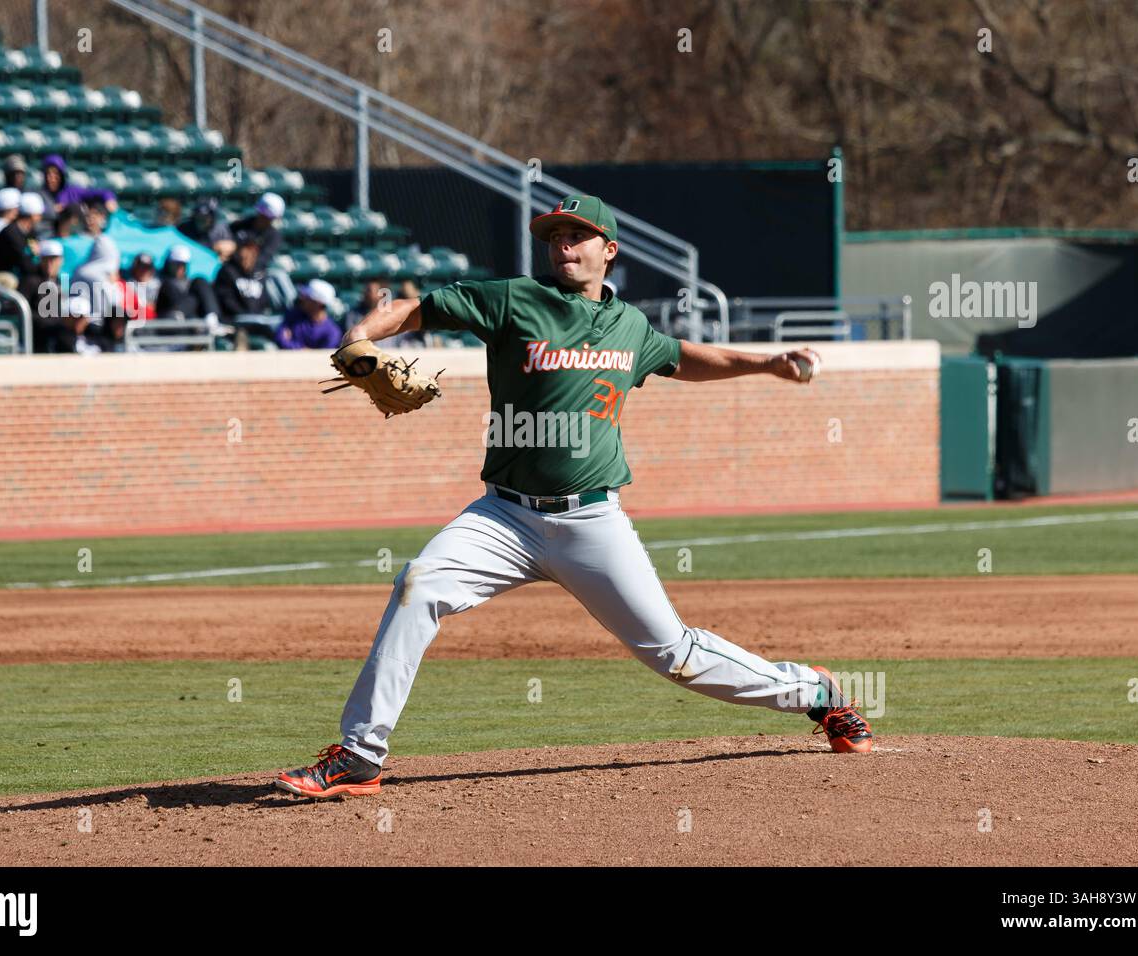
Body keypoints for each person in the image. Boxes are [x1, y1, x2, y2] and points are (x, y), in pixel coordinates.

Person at [274, 194, 874, 801]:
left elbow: (684, 358)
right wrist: (359, 337)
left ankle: (814, 692)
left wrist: (767, 362)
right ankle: (359, 755)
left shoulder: (630, 326)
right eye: (554, 235)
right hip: (503, 517)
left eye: (576, 235)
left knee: (674, 653)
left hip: (591, 521)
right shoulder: (512, 299)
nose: (562, 245)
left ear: (608, 250)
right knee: (417, 585)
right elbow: (411, 310)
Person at [17, 239, 75, 353]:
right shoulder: (30, 281)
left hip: (57, 333)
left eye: (54, 259)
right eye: (46, 259)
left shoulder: (61, 282)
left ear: (61, 261)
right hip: (36, 336)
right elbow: (19, 311)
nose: (50, 264)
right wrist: (50, 322)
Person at [0, 192, 43, 287]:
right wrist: (40, 257)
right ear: (33, 216)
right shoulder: (11, 233)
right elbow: (26, 266)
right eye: (39, 214)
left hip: (8, 274)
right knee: (30, 281)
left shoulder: (30, 232)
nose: (40, 218)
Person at [71, 202, 121, 319]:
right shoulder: (75, 242)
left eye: (95, 215)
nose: (91, 219)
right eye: (88, 215)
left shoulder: (105, 241)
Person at [212, 232, 270, 325]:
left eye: (254, 250)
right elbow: (227, 301)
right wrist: (247, 316)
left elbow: (264, 302)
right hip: (233, 322)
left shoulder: (260, 274)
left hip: (256, 323)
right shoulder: (227, 271)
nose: (251, 254)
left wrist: (254, 317)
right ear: (239, 250)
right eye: (247, 249)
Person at [155, 244, 220, 323]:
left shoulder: (191, 283)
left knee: (198, 285)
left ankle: (212, 317)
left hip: (189, 316)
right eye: (176, 265)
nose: (180, 268)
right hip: (167, 314)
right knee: (170, 286)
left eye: (183, 265)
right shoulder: (159, 280)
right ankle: (178, 314)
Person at [274, 279, 342, 350]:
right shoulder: (293, 316)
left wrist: (297, 347)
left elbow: (323, 358)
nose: (301, 298)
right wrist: (305, 349)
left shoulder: (332, 332)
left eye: (307, 297)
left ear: (318, 303)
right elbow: (280, 339)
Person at [40, 154, 118, 214]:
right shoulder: (40, 194)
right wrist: (52, 209)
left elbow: (103, 193)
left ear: (62, 175)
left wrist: (109, 199)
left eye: (56, 174)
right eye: (48, 174)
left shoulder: (71, 192)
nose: (51, 178)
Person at [229, 192, 284, 270]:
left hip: (256, 275)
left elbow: (262, 260)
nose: (264, 218)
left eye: (269, 217)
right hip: (231, 269)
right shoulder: (240, 225)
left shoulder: (274, 236)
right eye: (263, 215)